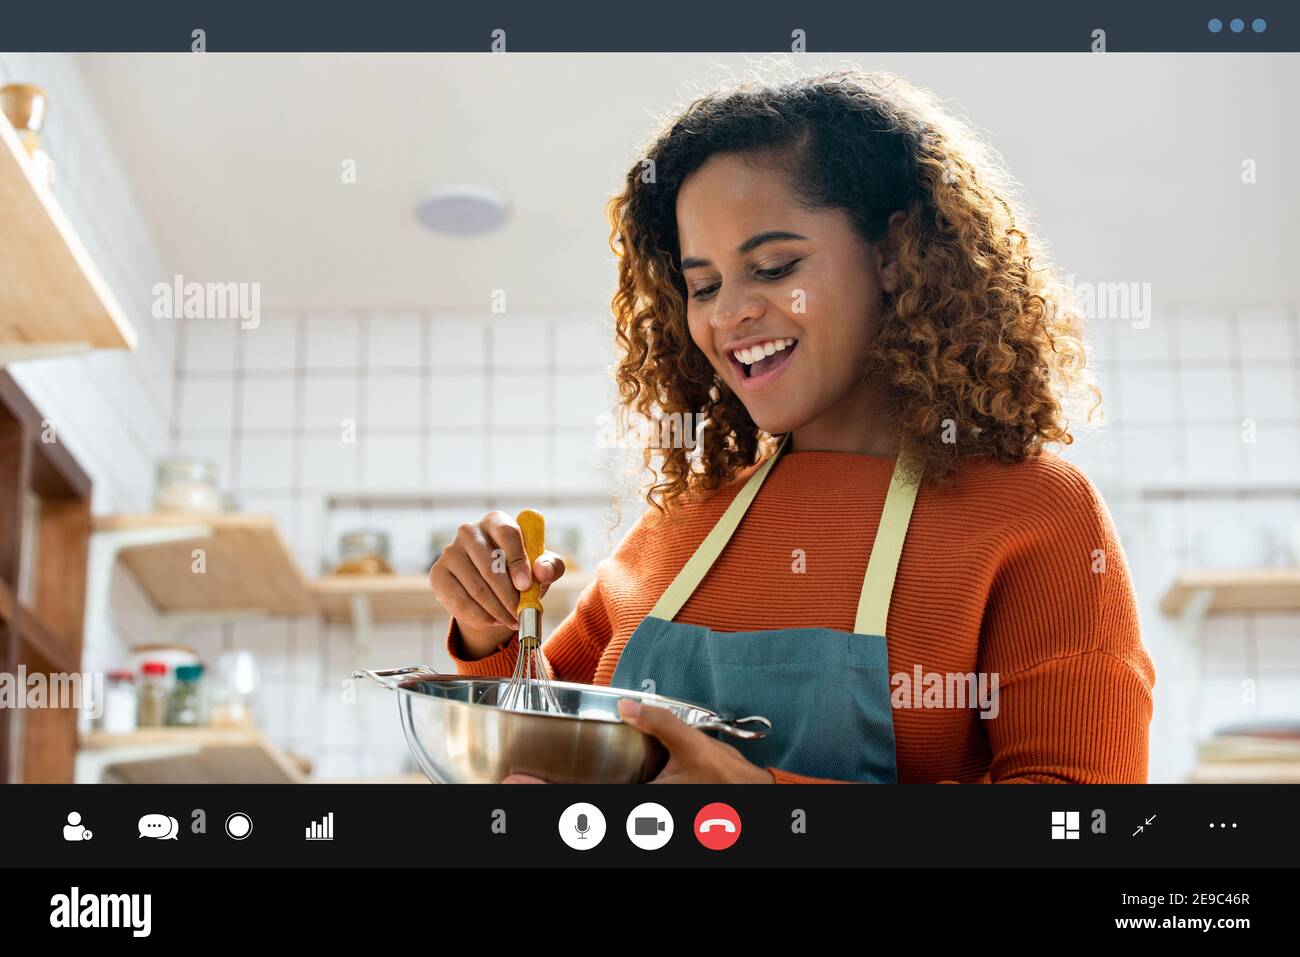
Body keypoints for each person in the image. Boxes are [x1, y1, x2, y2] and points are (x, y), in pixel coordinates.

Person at [428, 69, 1155, 784]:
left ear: (894, 253)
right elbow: (548, 737)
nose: (727, 313)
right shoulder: (680, 526)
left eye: (773, 266)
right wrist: (489, 631)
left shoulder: (1034, 514)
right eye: (703, 284)